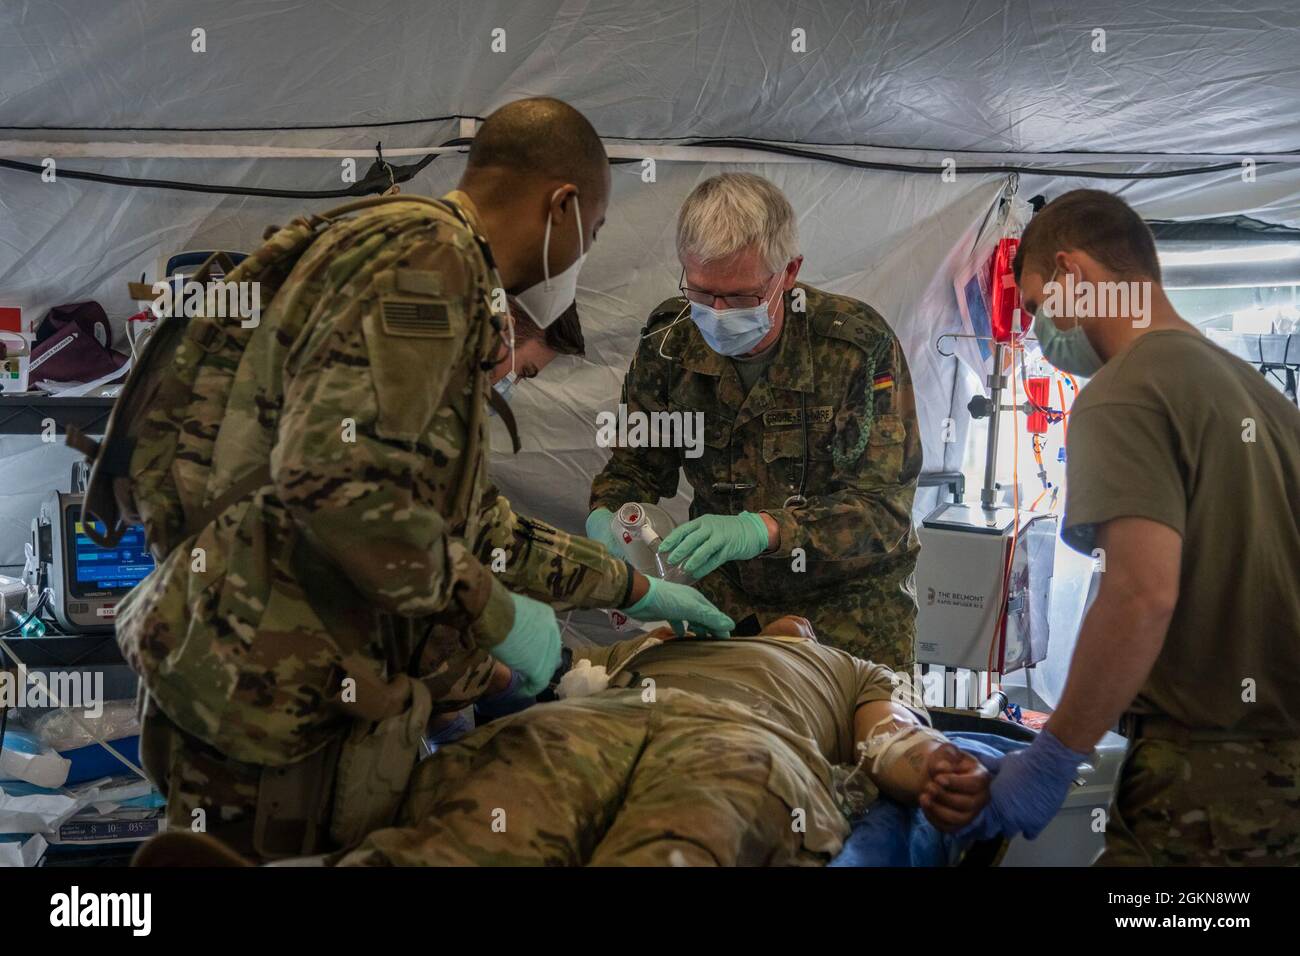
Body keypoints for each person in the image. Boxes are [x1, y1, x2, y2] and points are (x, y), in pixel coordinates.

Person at [117, 97, 732, 861]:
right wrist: (497, 612)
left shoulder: (403, 250)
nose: (584, 257)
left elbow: (473, 526)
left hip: (262, 671)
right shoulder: (431, 261)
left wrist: (633, 587)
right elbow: (336, 486)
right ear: (563, 206)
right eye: (595, 233)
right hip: (268, 695)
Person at [931, 189, 1300, 865]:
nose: (1042, 333)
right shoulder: (1260, 398)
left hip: (1208, 786)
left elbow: (1140, 594)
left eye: (1040, 307)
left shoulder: (1127, 389)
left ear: (1072, 273)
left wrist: (1053, 757)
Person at [328, 615, 990, 866]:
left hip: (744, 740)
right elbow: (539, 676)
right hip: (584, 725)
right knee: (467, 845)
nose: (790, 620)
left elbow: (889, 740)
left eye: (802, 620)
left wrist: (938, 768)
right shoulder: (658, 643)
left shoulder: (846, 666)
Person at [587, 173, 922, 666]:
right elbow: (636, 467)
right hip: (725, 606)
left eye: (741, 297)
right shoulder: (670, 344)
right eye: (702, 293)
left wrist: (762, 529)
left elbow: (882, 512)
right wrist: (608, 523)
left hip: (850, 614)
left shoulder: (855, 348)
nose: (718, 313)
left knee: (861, 741)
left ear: (788, 273)